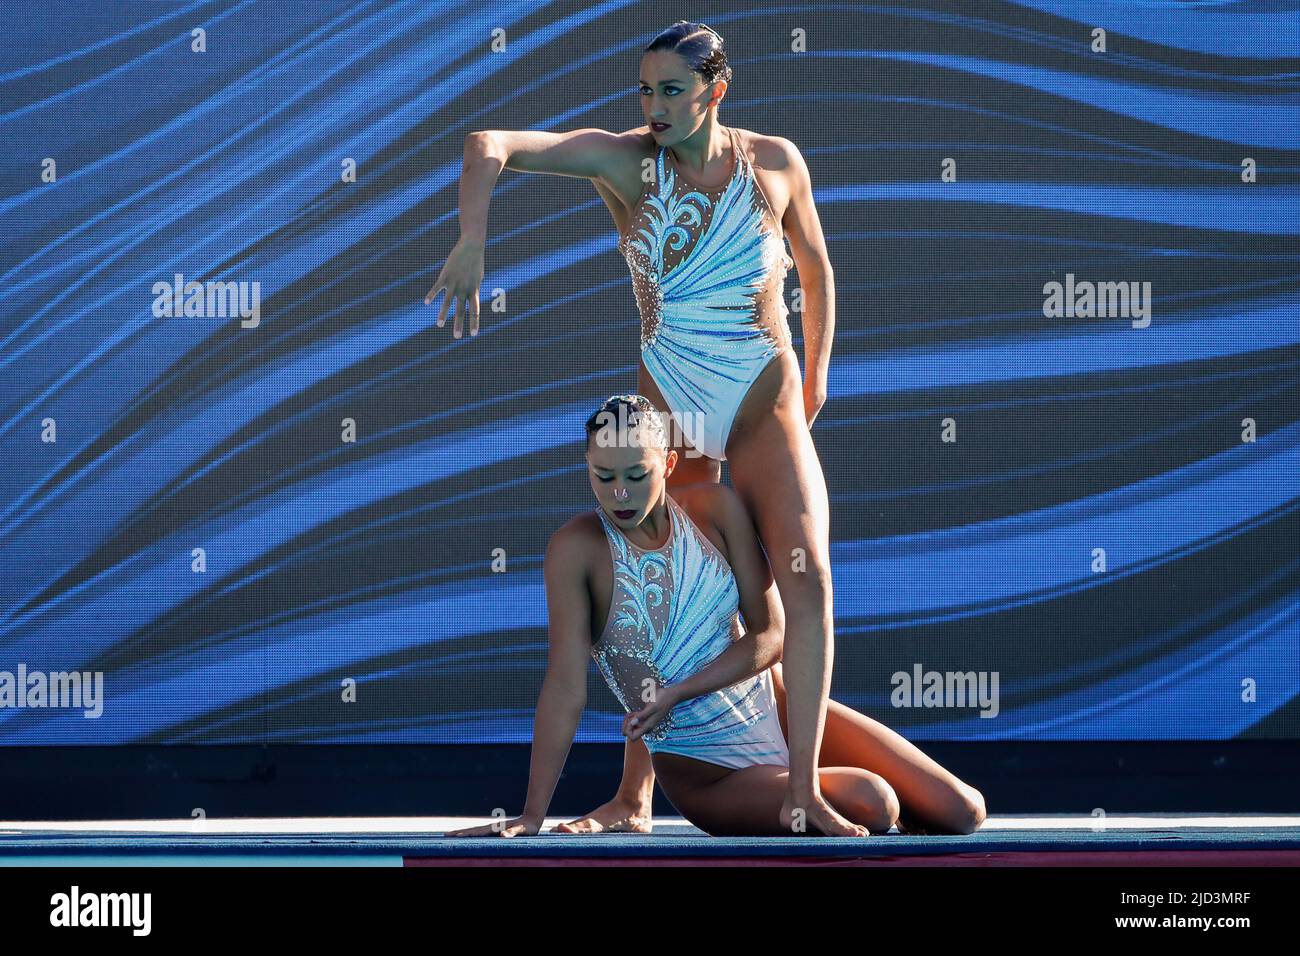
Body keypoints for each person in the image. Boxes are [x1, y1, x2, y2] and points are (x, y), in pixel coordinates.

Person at [427, 19, 864, 834]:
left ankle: (801, 788)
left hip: (765, 408)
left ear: (715, 92)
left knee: (807, 583)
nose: (653, 106)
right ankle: (636, 795)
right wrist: (473, 237)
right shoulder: (627, 162)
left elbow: (816, 266)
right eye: (645, 89)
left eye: (671, 91)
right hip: (678, 417)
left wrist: (818, 372)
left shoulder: (775, 162)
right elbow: (489, 142)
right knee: (679, 606)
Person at [444, 396, 985, 838]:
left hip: (779, 713)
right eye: (602, 477)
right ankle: (800, 804)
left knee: (963, 811)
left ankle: (816, 799)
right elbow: (565, 687)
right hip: (706, 772)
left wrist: (679, 690)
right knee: (874, 802)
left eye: (636, 474)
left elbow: (772, 636)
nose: (620, 494)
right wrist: (533, 815)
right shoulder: (574, 550)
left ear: (670, 464)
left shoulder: (715, 511)